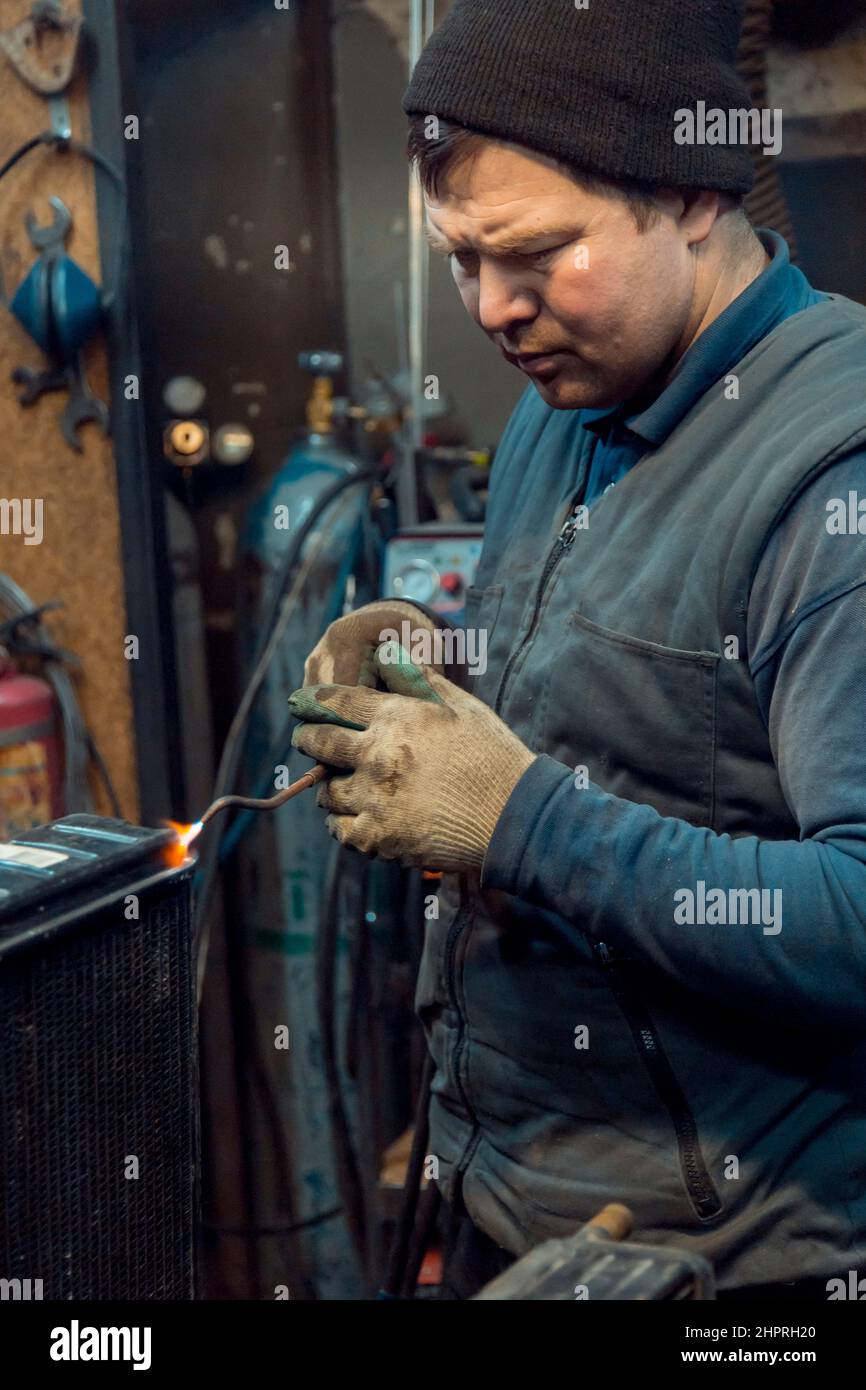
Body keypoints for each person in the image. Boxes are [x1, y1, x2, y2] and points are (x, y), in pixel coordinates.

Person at [295, 0, 866, 1299]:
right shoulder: (567, 405)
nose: (492, 309)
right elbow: (624, 730)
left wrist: (522, 823)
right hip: (510, 1193)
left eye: (537, 252)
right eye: (459, 258)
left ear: (686, 191)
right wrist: (432, 697)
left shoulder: (832, 475)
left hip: (738, 1257)